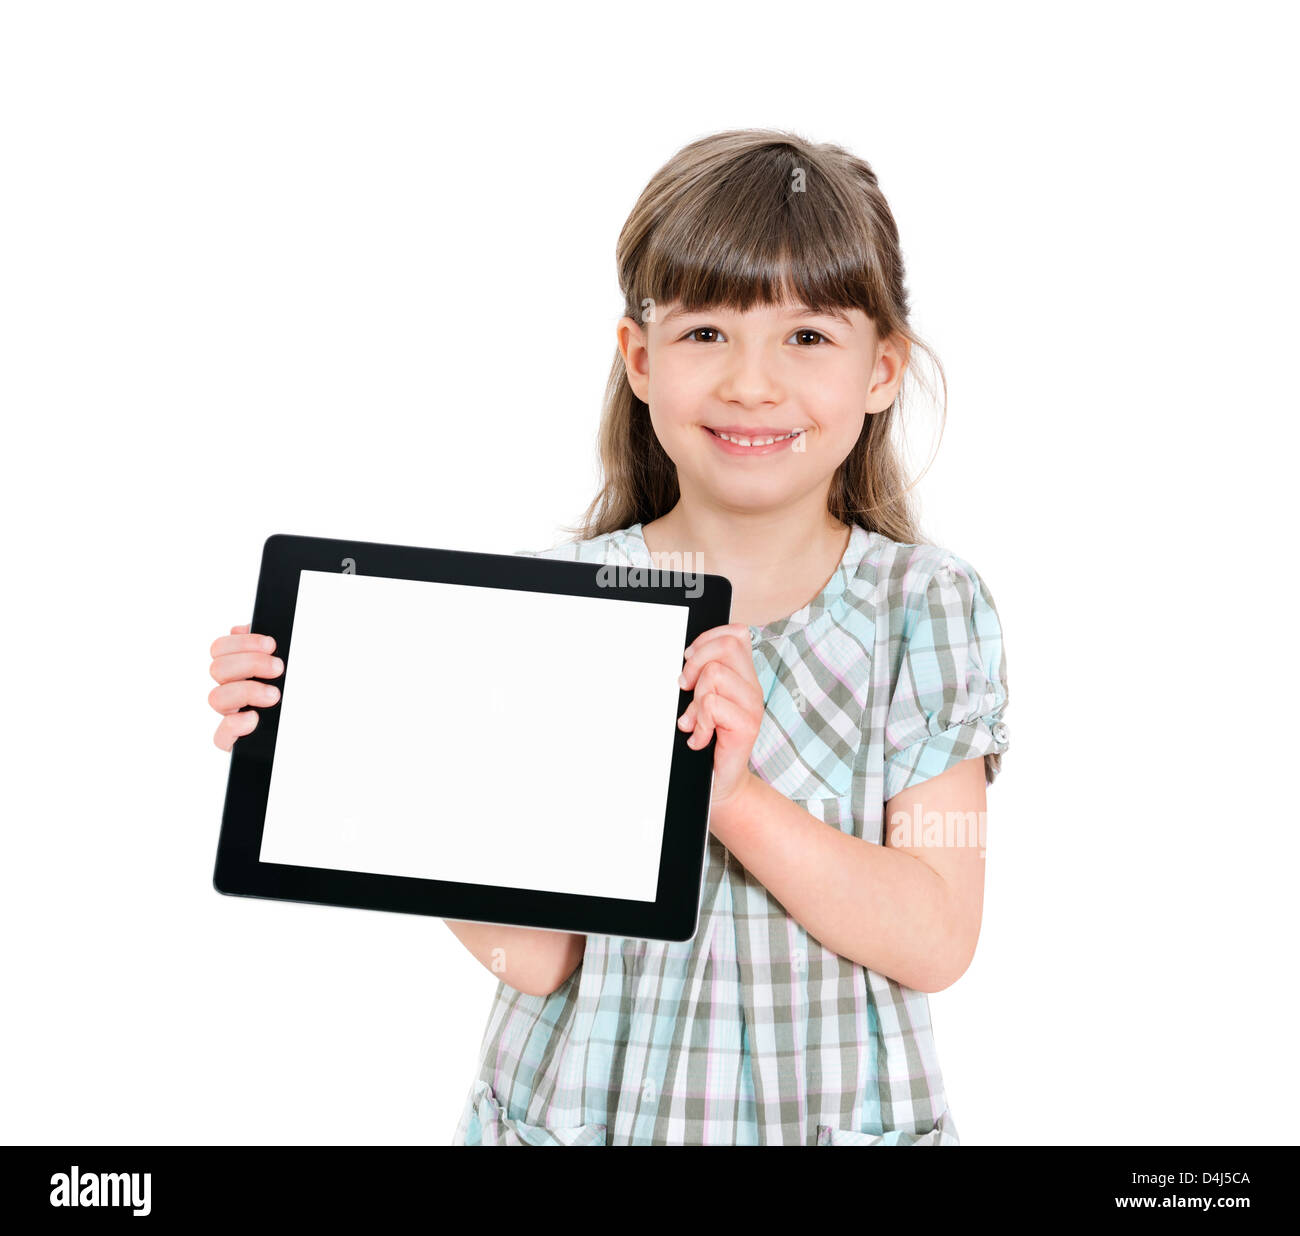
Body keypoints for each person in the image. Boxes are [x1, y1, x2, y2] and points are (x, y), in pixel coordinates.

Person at [206, 128, 1011, 1146]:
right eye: (705, 333)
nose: (751, 383)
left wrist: (736, 799)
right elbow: (540, 960)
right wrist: (339, 757)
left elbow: (935, 937)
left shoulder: (924, 607)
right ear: (640, 358)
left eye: (806, 336)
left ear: (882, 368)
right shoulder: (567, 604)